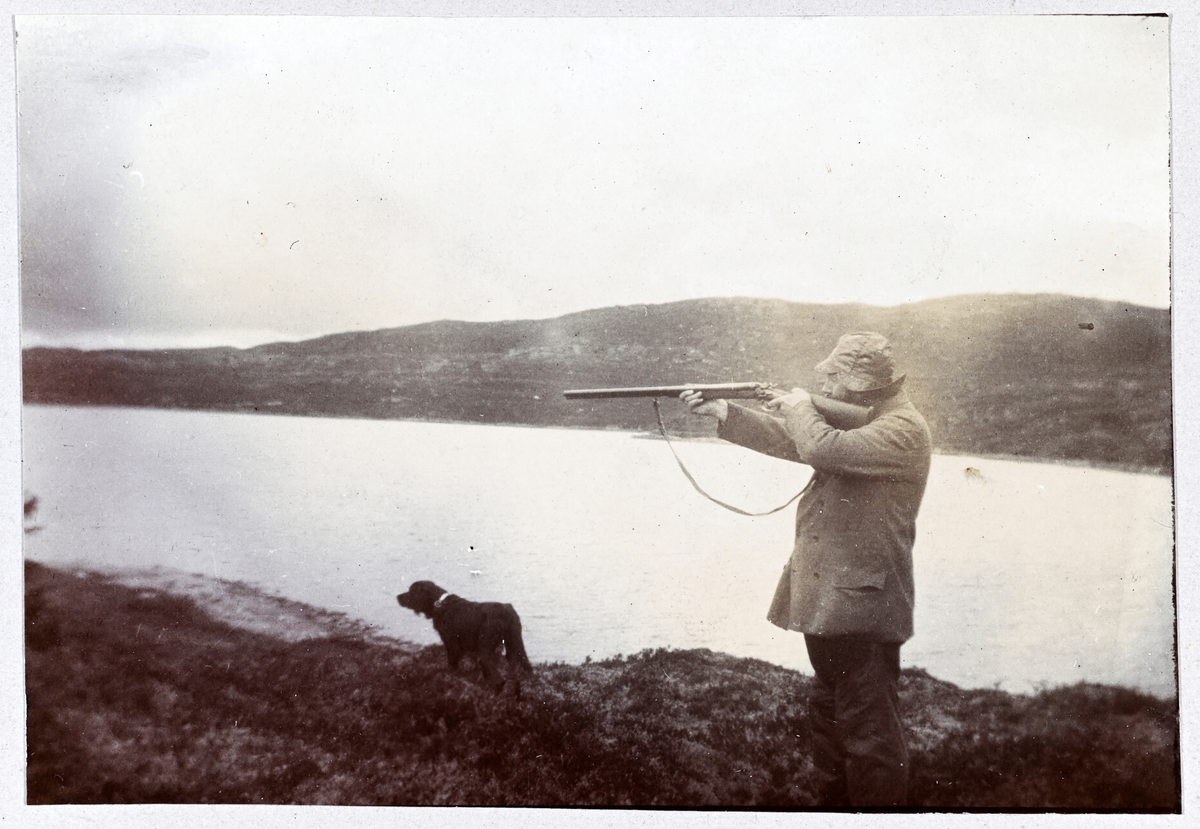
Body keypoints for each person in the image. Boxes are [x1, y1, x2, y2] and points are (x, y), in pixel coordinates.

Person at [680, 332, 932, 809]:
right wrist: (726, 413)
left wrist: (798, 405)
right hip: (833, 608)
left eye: (835, 377)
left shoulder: (902, 429)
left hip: (861, 611)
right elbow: (800, 440)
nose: (828, 384)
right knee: (830, 727)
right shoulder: (865, 425)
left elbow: (822, 447)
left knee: (870, 740)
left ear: (860, 384)